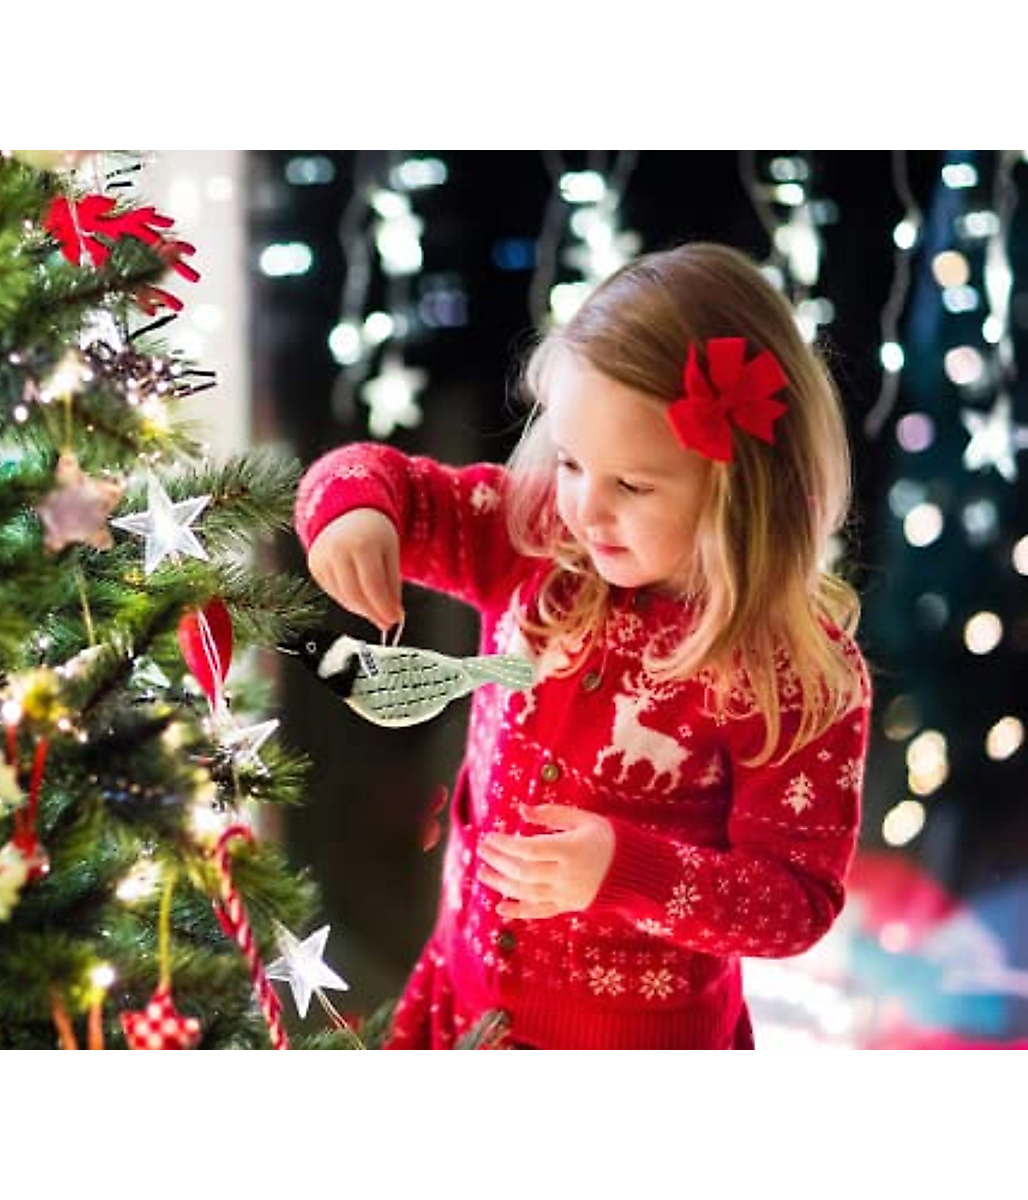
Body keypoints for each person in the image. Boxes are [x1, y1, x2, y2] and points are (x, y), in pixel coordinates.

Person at [293, 242, 872, 1049]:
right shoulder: (536, 545)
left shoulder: (790, 675)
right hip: (464, 1003)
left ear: (739, 488)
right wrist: (356, 512)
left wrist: (627, 871)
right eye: (569, 462)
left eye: (632, 485)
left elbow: (795, 903)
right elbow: (383, 479)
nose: (586, 509)